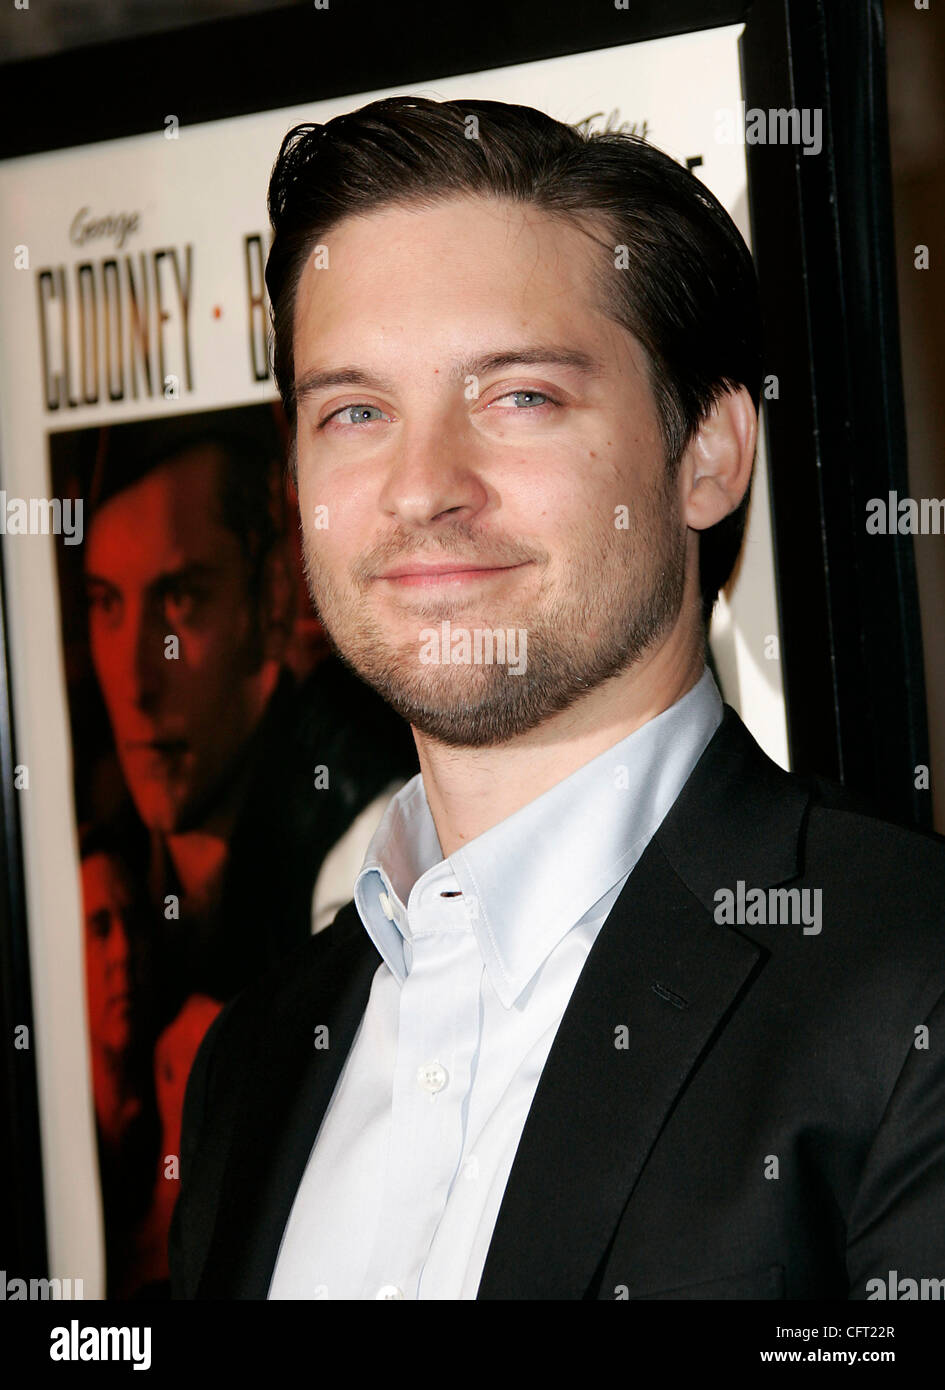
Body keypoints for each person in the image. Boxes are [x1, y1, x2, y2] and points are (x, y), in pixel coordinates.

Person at [168, 96, 945, 1301]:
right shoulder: (255, 1057)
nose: (423, 488)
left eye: (517, 395)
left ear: (708, 454)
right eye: (356, 412)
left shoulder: (907, 981)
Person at [80, 409, 418, 1293]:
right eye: (106, 607)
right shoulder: (102, 871)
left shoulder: (360, 834)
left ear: (270, 601)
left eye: (181, 599)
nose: (137, 678)